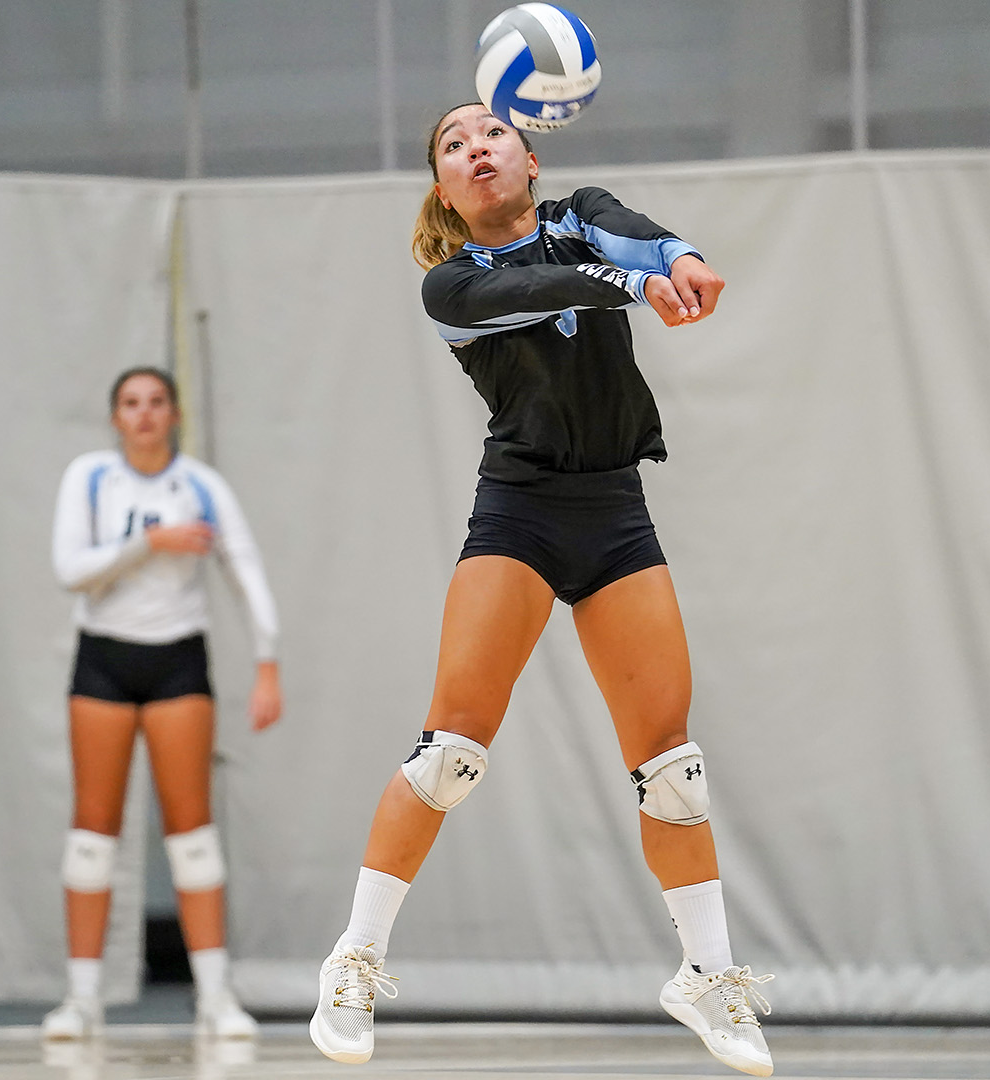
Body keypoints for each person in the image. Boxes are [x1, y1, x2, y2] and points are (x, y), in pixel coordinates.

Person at [307, 103, 773, 1077]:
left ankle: (708, 976)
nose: (476, 149)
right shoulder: (451, 285)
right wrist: (639, 284)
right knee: (449, 755)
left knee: (674, 768)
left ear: (529, 154)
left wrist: (677, 259)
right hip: (519, 513)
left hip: (615, 511)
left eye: (491, 135)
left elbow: (630, 234)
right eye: (453, 146)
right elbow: (548, 286)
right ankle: (354, 961)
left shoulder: (583, 212)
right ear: (444, 188)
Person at [42, 367, 281, 1042]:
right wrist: (150, 542)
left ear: (173, 413)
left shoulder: (201, 485)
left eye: (155, 403)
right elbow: (69, 570)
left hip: (177, 660)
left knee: (193, 836)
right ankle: (82, 998)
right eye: (130, 404)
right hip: (105, 660)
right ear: (115, 416)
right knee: (92, 836)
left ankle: (215, 996)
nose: (144, 414)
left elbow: (247, 569)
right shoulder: (90, 478)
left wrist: (268, 663)